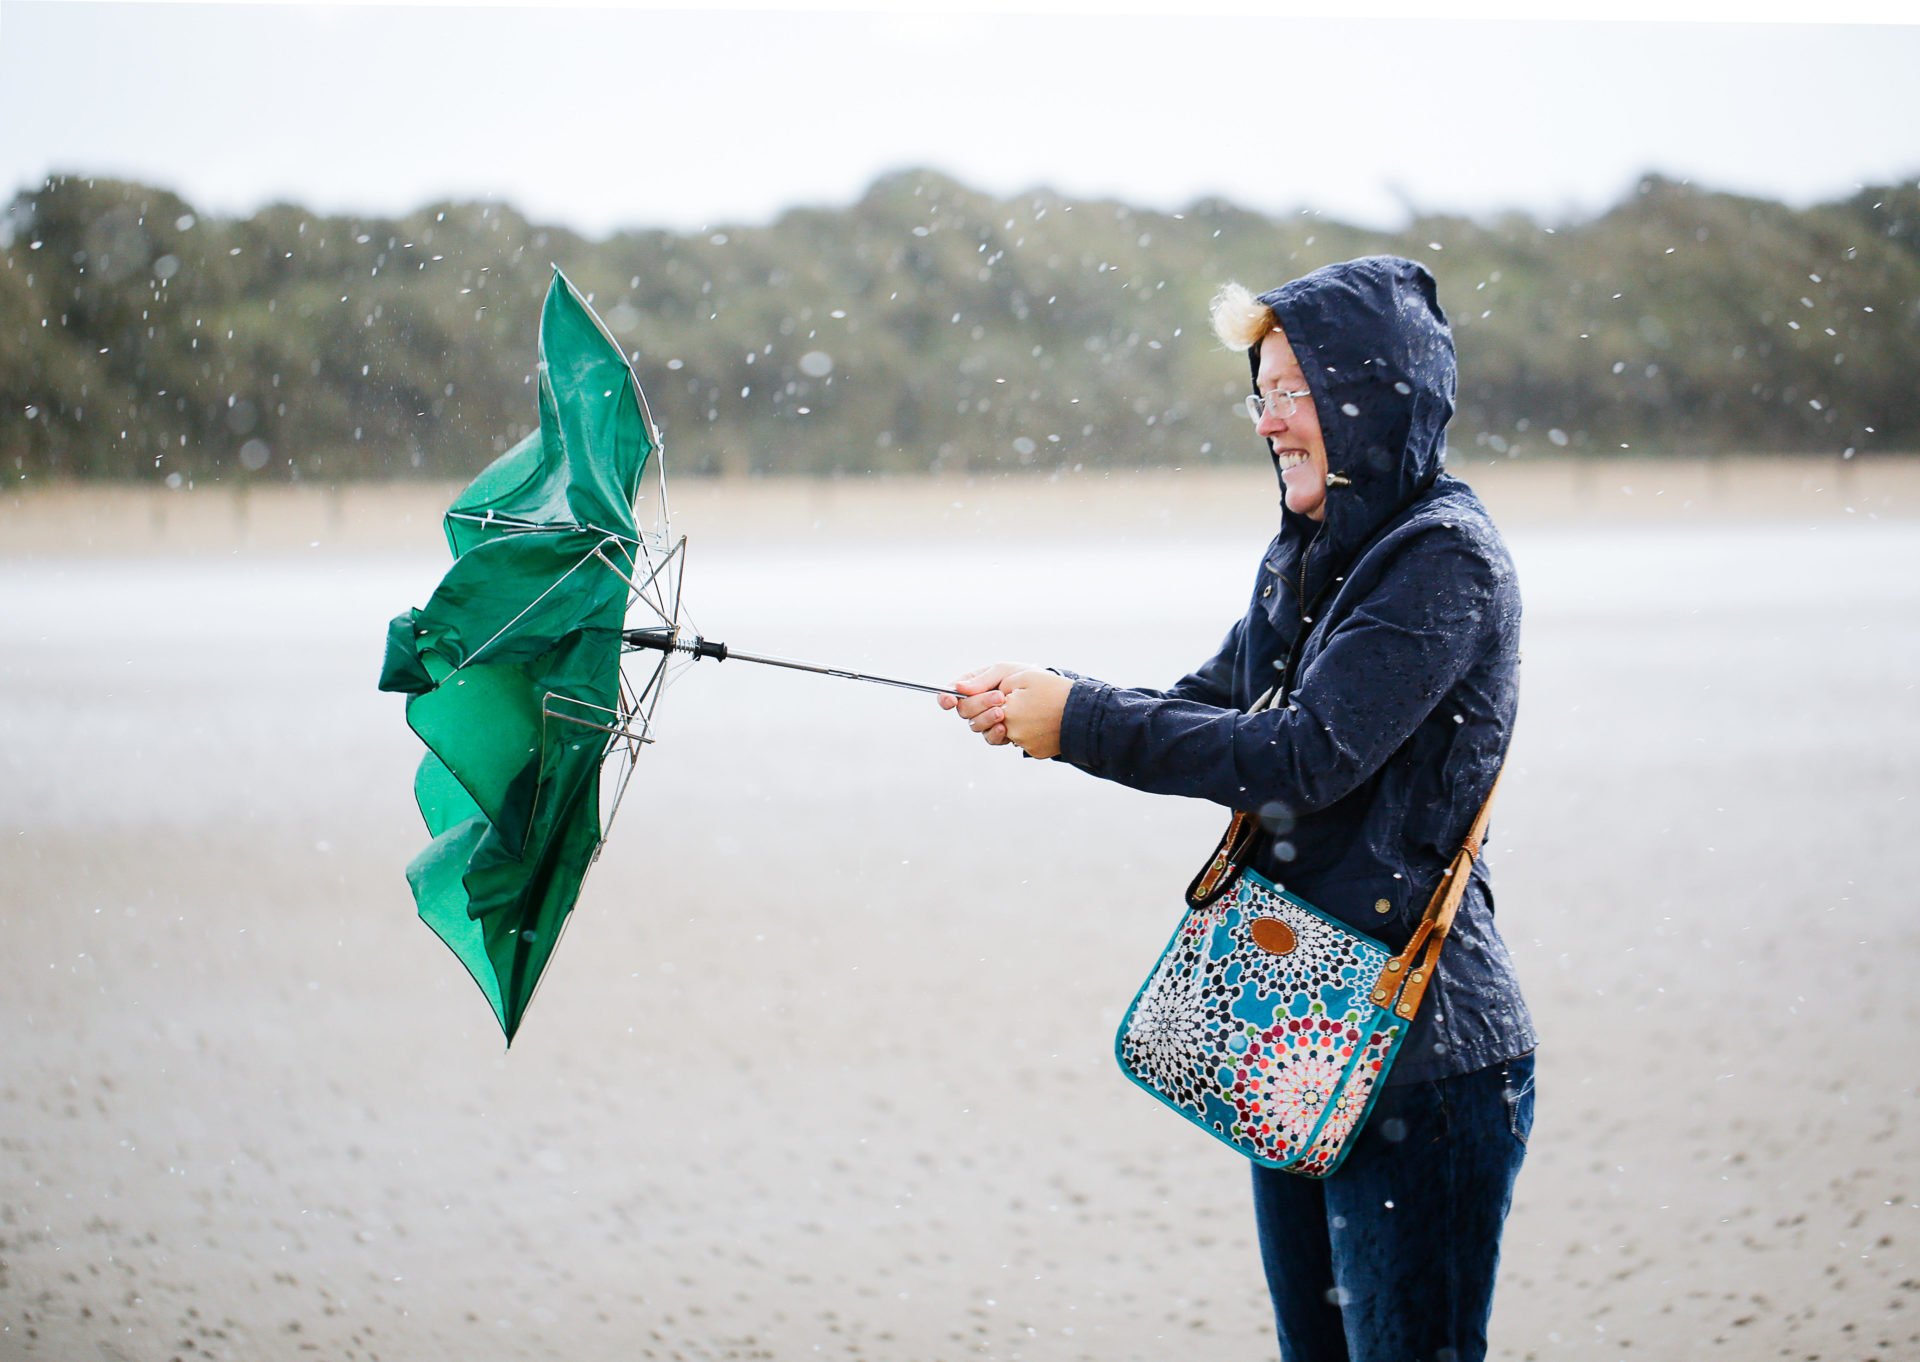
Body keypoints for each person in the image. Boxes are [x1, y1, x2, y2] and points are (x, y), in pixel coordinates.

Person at [939, 256, 1536, 1362]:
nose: (1268, 423)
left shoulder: (1441, 558)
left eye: (1293, 392)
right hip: (1301, 1022)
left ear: (1376, 395)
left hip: (1428, 1055)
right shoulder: (1315, 551)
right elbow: (1208, 707)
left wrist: (1081, 720)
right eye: (1260, 395)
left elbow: (1303, 758)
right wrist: (1046, 698)